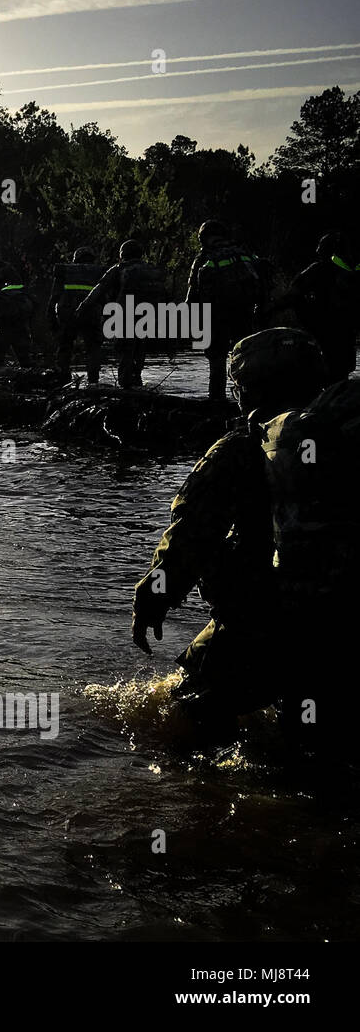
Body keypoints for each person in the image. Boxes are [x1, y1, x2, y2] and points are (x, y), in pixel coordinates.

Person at [130, 328, 327, 747]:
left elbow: (190, 538)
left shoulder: (240, 450)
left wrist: (152, 598)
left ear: (250, 388)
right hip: (341, 624)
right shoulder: (345, 438)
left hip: (266, 625)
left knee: (182, 712)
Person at [185, 220, 264, 401]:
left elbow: (191, 297)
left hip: (216, 316)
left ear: (203, 238)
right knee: (244, 356)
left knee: (217, 358)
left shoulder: (205, 257)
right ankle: (248, 399)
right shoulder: (245, 253)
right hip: (245, 313)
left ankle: (216, 399)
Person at [77, 239, 168, 390]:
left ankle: (125, 386)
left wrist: (82, 307)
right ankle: (137, 381)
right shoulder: (151, 270)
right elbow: (164, 295)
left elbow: (99, 289)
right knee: (139, 348)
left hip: (126, 315)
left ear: (123, 254)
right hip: (149, 316)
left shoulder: (119, 268)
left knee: (126, 350)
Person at [271, 233, 358, 384]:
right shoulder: (352, 272)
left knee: (330, 369)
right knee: (341, 371)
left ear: (326, 250)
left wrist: (268, 310)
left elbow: (292, 296)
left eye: (320, 247)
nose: (317, 250)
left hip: (325, 329)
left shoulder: (317, 270)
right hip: (347, 329)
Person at [48, 247, 107, 384]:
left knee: (65, 346)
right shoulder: (98, 272)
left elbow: (53, 298)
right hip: (91, 314)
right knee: (93, 348)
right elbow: (104, 297)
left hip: (67, 314)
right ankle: (93, 381)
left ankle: (63, 379)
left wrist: (52, 321)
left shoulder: (65, 271)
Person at [0, 246, 35, 376]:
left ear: (0, 255)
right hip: (0, 311)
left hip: (12, 308)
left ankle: (27, 369)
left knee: (19, 345)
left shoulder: (8, 269)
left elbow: (19, 286)